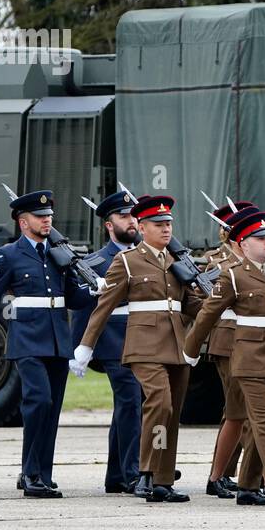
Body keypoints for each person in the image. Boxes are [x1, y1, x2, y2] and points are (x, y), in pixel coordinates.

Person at [74, 195, 204, 503]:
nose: (166, 229)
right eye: (158, 225)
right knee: (159, 403)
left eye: (168, 224)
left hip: (175, 346)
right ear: (142, 227)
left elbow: (192, 305)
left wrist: (225, 310)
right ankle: (144, 473)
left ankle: (162, 480)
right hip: (142, 346)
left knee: (171, 413)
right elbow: (103, 307)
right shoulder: (127, 262)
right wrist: (85, 346)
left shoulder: (176, 263)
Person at [0, 189, 90, 498]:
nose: (47, 220)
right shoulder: (9, 255)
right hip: (26, 339)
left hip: (57, 340)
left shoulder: (59, 253)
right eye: (40, 216)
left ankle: (43, 474)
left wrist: (96, 289)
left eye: (49, 216)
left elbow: (72, 298)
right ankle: (29, 471)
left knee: (52, 409)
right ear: (24, 222)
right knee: (39, 401)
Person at [183, 209, 265, 506]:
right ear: (242, 243)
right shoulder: (233, 276)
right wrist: (190, 350)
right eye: (260, 238)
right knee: (263, 420)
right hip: (248, 358)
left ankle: (249, 487)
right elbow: (206, 315)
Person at [69, 190, 143, 494]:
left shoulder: (146, 256)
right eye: (123, 217)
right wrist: (79, 350)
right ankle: (133, 472)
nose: (132, 221)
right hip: (114, 342)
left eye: (133, 215)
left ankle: (116, 474)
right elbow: (83, 310)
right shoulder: (97, 262)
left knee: (129, 406)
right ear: (108, 225)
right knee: (131, 403)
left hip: (143, 339)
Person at [200, 202, 256, 497]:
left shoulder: (258, 261)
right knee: (238, 411)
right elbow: (207, 304)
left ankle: (232, 473)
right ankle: (222, 475)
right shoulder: (217, 262)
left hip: (254, 343)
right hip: (228, 341)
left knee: (241, 411)